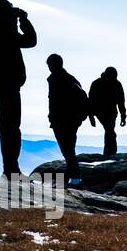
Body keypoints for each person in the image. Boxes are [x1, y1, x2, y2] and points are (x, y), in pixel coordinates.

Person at [0, 0, 37, 176]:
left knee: (9, 127)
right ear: (4, 13)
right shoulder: (1, 30)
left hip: (1, 84)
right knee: (11, 128)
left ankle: (11, 168)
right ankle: (11, 170)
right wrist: (24, 20)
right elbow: (30, 41)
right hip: (7, 85)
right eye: (10, 10)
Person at [45, 54, 89, 185]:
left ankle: (75, 178)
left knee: (67, 149)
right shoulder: (69, 79)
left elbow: (55, 102)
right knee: (69, 149)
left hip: (63, 120)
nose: (49, 67)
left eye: (49, 65)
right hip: (68, 120)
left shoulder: (60, 80)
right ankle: (74, 176)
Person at [88, 67, 127, 157]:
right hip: (100, 112)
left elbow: (121, 102)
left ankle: (109, 154)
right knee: (110, 131)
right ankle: (110, 154)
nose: (112, 80)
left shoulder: (116, 84)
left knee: (110, 132)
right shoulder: (96, 84)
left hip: (111, 112)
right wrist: (91, 117)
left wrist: (123, 116)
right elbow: (91, 101)